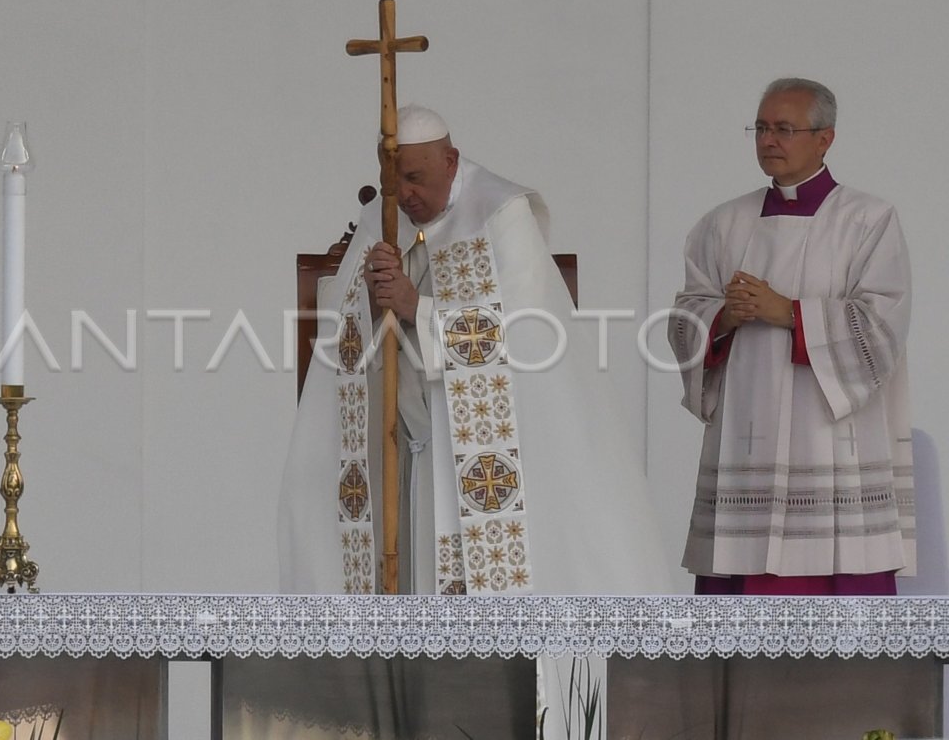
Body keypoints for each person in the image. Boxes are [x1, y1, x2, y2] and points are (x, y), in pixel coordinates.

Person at [278, 105, 672, 596]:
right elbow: (345, 335)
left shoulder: (501, 213)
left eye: (417, 179)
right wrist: (367, 291)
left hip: (479, 450)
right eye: (395, 183)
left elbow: (521, 333)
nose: (408, 196)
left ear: (451, 161)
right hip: (404, 445)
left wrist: (413, 306)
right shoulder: (381, 216)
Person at [669, 77, 914, 595]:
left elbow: (883, 323)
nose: (768, 140)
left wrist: (791, 313)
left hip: (829, 438)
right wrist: (722, 319)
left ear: (825, 138)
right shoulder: (722, 224)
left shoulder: (868, 220)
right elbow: (686, 314)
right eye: (760, 128)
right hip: (746, 433)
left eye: (784, 128)